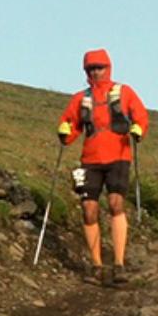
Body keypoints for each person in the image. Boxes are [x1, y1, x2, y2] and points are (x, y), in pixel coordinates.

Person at [57, 49, 148, 286]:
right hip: (90, 160)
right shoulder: (80, 98)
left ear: (108, 68)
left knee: (116, 204)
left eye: (100, 68)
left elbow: (140, 116)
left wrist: (139, 129)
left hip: (119, 156)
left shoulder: (124, 92)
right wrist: (64, 132)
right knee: (88, 209)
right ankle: (97, 265)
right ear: (86, 71)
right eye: (91, 69)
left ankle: (118, 263)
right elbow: (70, 125)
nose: (96, 72)